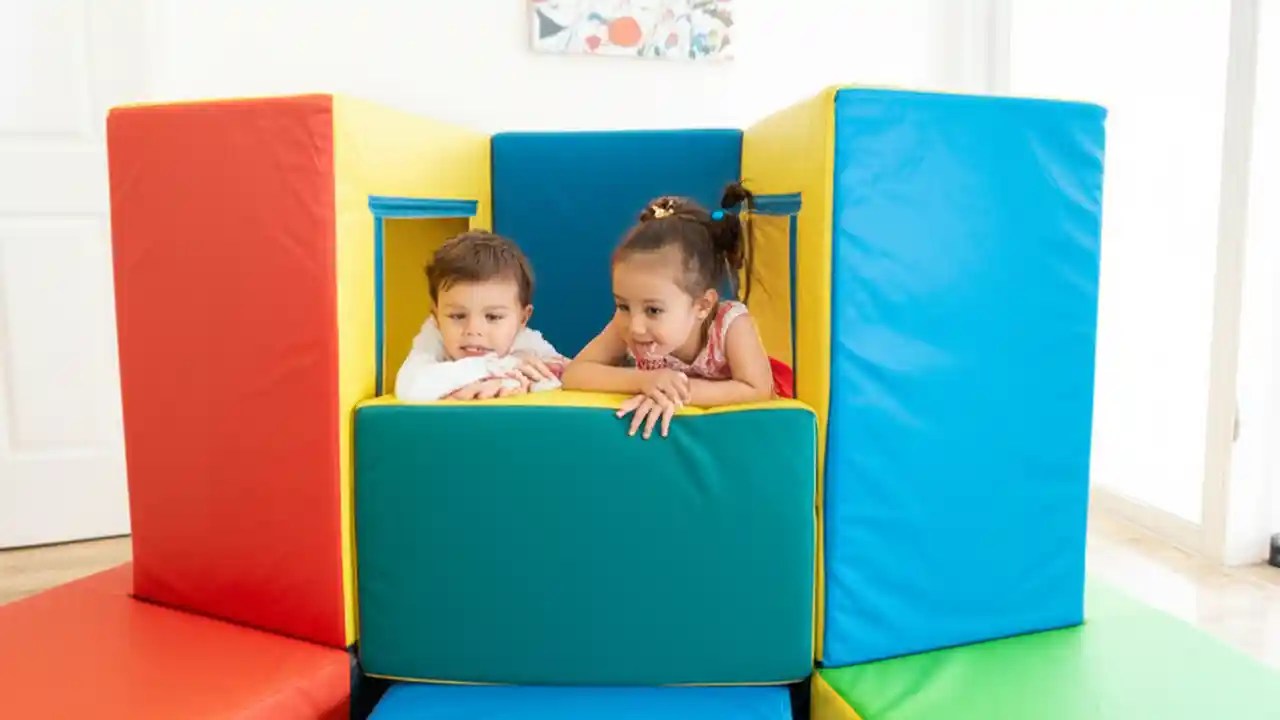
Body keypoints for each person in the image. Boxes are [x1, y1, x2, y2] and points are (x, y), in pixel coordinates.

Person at [562, 182, 793, 439]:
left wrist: (676, 392)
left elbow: (757, 389)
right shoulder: (626, 323)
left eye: (653, 310)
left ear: (702, 306)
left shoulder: (731, 326)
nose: (635, 326)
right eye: (623, 305)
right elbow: (575, 373)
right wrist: (644, 381)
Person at [394, 230, 565, 402]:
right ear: (436, 317)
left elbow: (559, 377)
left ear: (522, 319)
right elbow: (410, 388)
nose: (473, 330)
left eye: (493, 317)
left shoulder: (526, 343)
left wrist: (512, 381)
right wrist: (493, 367)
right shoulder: (433, 337)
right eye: (458, 316)